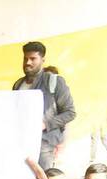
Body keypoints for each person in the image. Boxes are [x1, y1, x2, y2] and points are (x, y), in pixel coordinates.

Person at [13, 40, 76, 169]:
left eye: (33, 58)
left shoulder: (54, 82)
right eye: (25, 59)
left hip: (44, 148)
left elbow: (70, 112)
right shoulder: (18, 84)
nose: (28, 62)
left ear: (43, 60)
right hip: (20, 146)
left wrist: (44, 124)